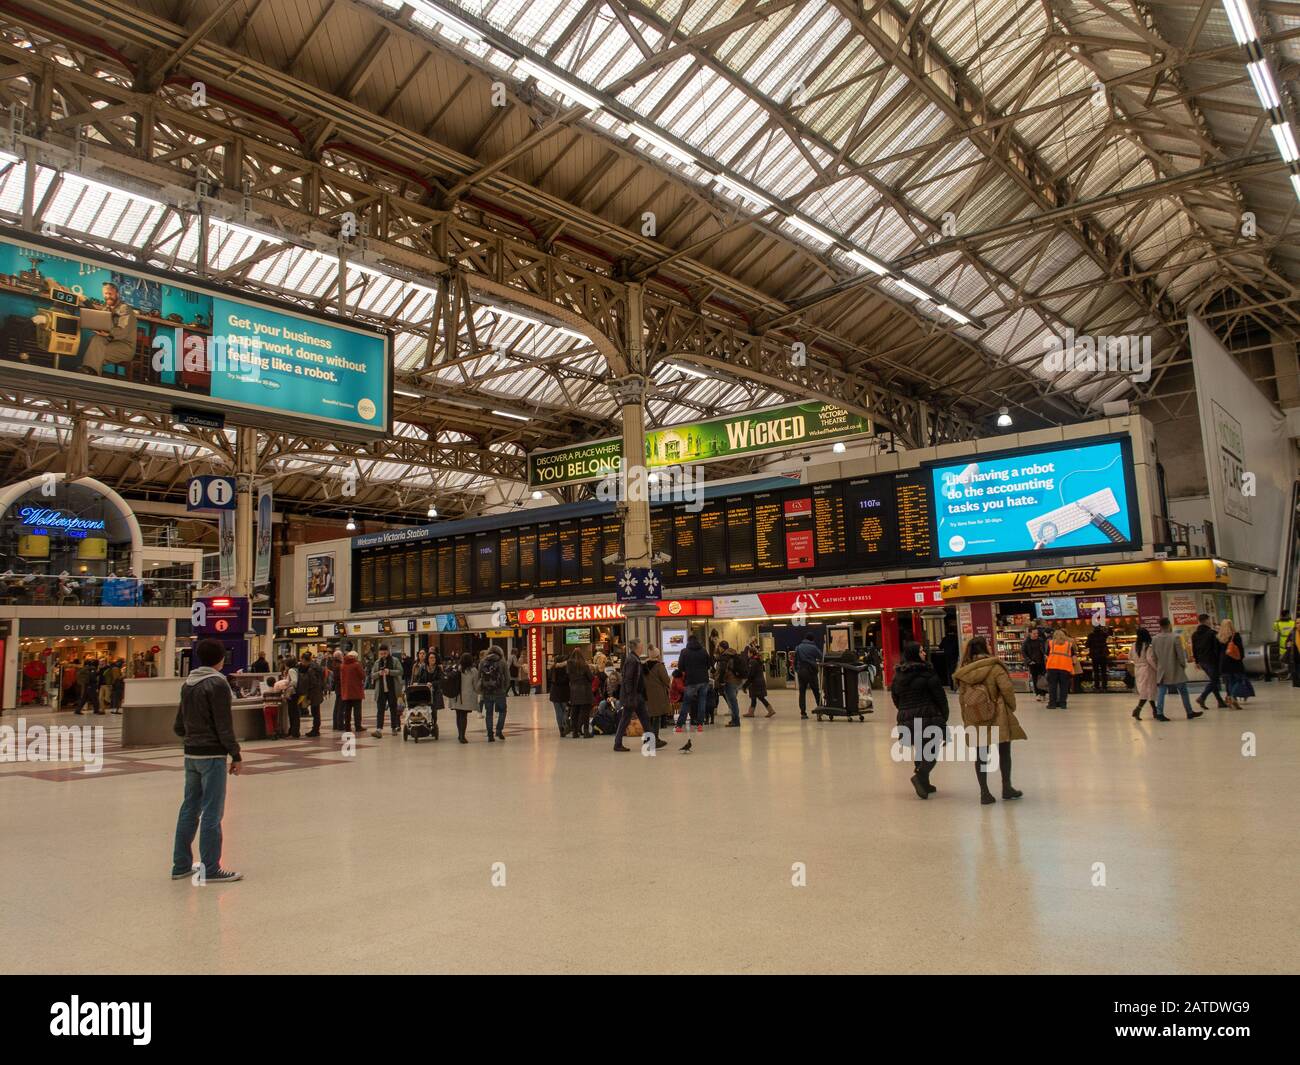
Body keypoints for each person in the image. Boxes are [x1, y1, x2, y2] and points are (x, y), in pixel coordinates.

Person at [170, 638, 243, 884]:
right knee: (213, 812)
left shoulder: (188, 683)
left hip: (191, 753)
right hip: (212, 755)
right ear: (220, 658)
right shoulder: (218, 684)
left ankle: (180, 865)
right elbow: (224, 725)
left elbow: (179, 724)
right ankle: (210, 868)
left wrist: (192, 737)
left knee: (189, 808)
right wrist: (235, 753)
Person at [952, 636, 1026, 804]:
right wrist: (1010, 707)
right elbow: (1007, 689)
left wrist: (967, 714)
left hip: (976, 714)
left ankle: (984, 792)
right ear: (985, 647)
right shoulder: (995, 666)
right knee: (1004, 751)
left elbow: (962, 696)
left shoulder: (964, 670)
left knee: (981, 754)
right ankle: (1007, 787)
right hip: (998, 712)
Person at [890, 641, 949, 799]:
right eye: (922, 651)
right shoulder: (927, 673)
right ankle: (920, 776)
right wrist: (944, 715)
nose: (924, 653)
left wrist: (904, 711)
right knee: (932, 750)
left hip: (906, 717)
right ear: (916, 654)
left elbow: (895, 698)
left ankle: (925, 783)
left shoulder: (898, 676)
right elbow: (940, 697)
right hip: (928, 715)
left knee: (920, 749)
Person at [613, 638, 661, 751]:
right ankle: (618, 743)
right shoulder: (632, 660)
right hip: (633, 695)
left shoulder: (634, 658)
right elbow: (628, 679)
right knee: (626, 719)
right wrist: (630, 696)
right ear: (637, 648)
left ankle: (650, 742)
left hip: (636, 695)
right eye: (641, 646)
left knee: (644, 718)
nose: (643, 648)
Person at [1151, 618, 1204, 722]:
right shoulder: (1175, 637)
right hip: (1175, 668)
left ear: (1160, 626)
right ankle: (1189, 712)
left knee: (1161, 692)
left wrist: (1158, 666)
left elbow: (1154, 656)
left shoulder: (1155, 639)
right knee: (1183, 691)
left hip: (1162, 670)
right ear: (1169, 625)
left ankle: (1159, 713)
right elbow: (1180, 654)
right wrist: (1182, 665)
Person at [81, 281, 137, 375]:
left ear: (117, 294)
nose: (108, 296)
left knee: (97, 354)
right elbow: (99, 319)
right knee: (96, 339)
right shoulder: (107, 308)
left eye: (110, 293)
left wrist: (108, 333)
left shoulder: (125, 309)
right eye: (105, 294)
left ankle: (90, 376)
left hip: (125, 347)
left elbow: (123, 331)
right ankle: (89, 372)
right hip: (111, 341)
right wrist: (85, 301)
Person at [1191, 614, 1227, 710]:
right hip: (1212, 660)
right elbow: (1217, 649)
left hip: (1202, 661)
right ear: (1206, 620)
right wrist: (1220, 660)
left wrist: (1196, 661)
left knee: (1213, 680)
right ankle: (1202, 697)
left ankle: (1220, 701)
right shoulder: (1212, 633)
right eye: (1209, 620)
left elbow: (1194, 649)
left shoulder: (1195, 634)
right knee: (1215, 680)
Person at [677, 634, 711, 731]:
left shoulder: (684, 652)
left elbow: (680, 667)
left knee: (686, 703)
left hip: (690, 681)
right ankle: (700, 725)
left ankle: (679, 726)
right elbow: (709, 665)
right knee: (702, 701)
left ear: (688, 641)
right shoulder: (704, 651)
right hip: (704, 680)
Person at [370, 645, 404, 735]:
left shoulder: (395, 661)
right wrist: (379, 673)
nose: (383, 655)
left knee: (393, 708)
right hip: (381, 690)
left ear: (388, 652)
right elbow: (372, 675)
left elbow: (401, 671)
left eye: (385, 653)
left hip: (393, 689)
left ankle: (394, 727)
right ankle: (379, 729)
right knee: (380, 709)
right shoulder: (377, 662)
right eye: (381, 654)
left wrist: (390, 672)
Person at [478, 645, 509, 741]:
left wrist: (482, 689)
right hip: (499, 691)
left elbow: (479, 677)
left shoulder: (483, 662)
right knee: (502, 711)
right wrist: (504, 689)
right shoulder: (502, 662)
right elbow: (507, 678)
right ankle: (499, 730)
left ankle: (490, 734)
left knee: (489, 713)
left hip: (487, 691)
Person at [643, 645, 672, 741]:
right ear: (657, 655)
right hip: (658, 694)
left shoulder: (644, 665)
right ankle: (655, 738)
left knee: (649, 718)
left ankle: (648, 737)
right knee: (656, 717)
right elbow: (666, 680)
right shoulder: (659, 666)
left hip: (646, 694)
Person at [1217, 619, 1247, 710]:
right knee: (1239, 680)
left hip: (1224, 662)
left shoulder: (1219, 637)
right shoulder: (1236, 636)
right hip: (1235, 661)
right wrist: (1241, 657)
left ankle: (1232, 699)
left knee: (1229, 681)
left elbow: (1217, 652)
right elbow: (1240, 650)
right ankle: (1232, 697)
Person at [449, 652, 479, 743]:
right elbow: (476, 685)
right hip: (467, 697)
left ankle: (460, 734)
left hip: (456, 696)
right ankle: (462, 735)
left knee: (458, 715)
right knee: (464, 716)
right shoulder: (473, 671)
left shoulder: (456, 668)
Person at [294, 649, 325, 738]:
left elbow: (312, 681)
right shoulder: (315, 667)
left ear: (305, 660)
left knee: (315, 712)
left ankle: (315, 730)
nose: (301, 662)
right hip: (316, 692)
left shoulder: (311, 669)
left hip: (314, 692)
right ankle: (315, 729)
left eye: (302, 660)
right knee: (316, 711)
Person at [566, 649, 595, 738]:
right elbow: (591, 678)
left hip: (574, 691)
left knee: (574, 712)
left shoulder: (569, 666)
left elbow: (568, 678)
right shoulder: (584, 665)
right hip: (585, 691)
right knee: (585, 712)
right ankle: (585, 731)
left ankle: (575, 732)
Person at [1131, 627, 1158, 720]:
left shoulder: (1133, 645)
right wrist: (1157, 669)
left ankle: (1155, 710)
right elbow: (1150, 659)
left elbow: (1130, 657)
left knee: (1145, 690)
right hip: (1148, 669)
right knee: (1150, 691)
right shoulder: (1147, 646)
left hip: (1138, 669)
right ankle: (1138, 709)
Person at [714, 640, 743, 727]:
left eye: (719, 647)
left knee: (732, 701)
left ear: (721, 648)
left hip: (729, 681)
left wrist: (721, 681)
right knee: (733, 701)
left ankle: (736, 721)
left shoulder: (724, 657)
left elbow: (722, 670)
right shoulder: (733, 654)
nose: (718, 649)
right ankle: (734, 719)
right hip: (737, 680)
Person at [793, 632, 823, 718]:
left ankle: (803, 713)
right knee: (816, 691)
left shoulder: (798, 647)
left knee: (802, 693)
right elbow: (821, 656)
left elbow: (795, 661)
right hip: (811, 671)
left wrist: (797, 670)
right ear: (812, 639)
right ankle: (820, 711)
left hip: (801, 671)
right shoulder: (814, 647)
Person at [1044, 629, 1075, 709]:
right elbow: (1073, 656)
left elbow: (1047, 655)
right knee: (1064, 687)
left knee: (1052, 686)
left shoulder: (1051, 643)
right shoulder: (1069, 644)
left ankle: (1052, 704)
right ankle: (1063, 704)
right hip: (1065, 668)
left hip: (1052, 667)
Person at [742, 646, 774, 718]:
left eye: (748, 653)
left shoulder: (752, 661)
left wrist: (745, 685)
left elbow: (751, 675)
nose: (747, 654)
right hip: (759, 681)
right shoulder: (757, 660)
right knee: (754, 697)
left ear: (751, 653)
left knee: (760, 697)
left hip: (755, 683)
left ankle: (770, 710)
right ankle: (751, 712)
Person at [337, 651, 365, 732]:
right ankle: (358, 726)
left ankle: (347, 726)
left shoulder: (342, 665)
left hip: (346, 691)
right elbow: (362, 676)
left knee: (347, 710)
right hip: (356, 690)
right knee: (357, 710)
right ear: (355, 657)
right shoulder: (357, 665)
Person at [1021, 626, 1047, 701]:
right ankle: (1037, 694)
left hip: (1041, 662)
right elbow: (1023, 652)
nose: (1036, 635)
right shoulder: (1026, 642)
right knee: (1035, 679)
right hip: (1032, 663)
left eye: (1037, 633)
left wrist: (1045, 655)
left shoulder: (1040, 640)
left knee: (1043, 678)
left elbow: (1044, 650)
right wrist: (1029, 661)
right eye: (1034, 633)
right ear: (1030, 633)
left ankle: (1043, 694)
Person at [548, 655, 571, 737]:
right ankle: (565, 726)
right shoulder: (565, 669)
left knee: (558, 712)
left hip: (554, 693)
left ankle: (561, 729)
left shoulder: (552, 669)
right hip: (564, 692)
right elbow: (568, 679)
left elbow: (550, 678)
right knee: (565, 711)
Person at [1086, 622, 1111, 693]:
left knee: (1096, 671)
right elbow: (1109, 636)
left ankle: (1097, 686)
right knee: (1104, 671)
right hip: (1103, 655)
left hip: (1094, 655)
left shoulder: (1091, 635)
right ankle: (1104, 686)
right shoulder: (1104, 634)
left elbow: (1087, 645)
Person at [1274, 608, 1295, 674]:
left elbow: (1276, 630)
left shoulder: (1277, 623)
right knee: (1292, 657)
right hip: (1292, 641)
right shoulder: (1293, 622)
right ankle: (1292, 671)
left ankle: (1286, 672)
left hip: (1282, 643)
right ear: (1288, 614)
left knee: (1283, 657)